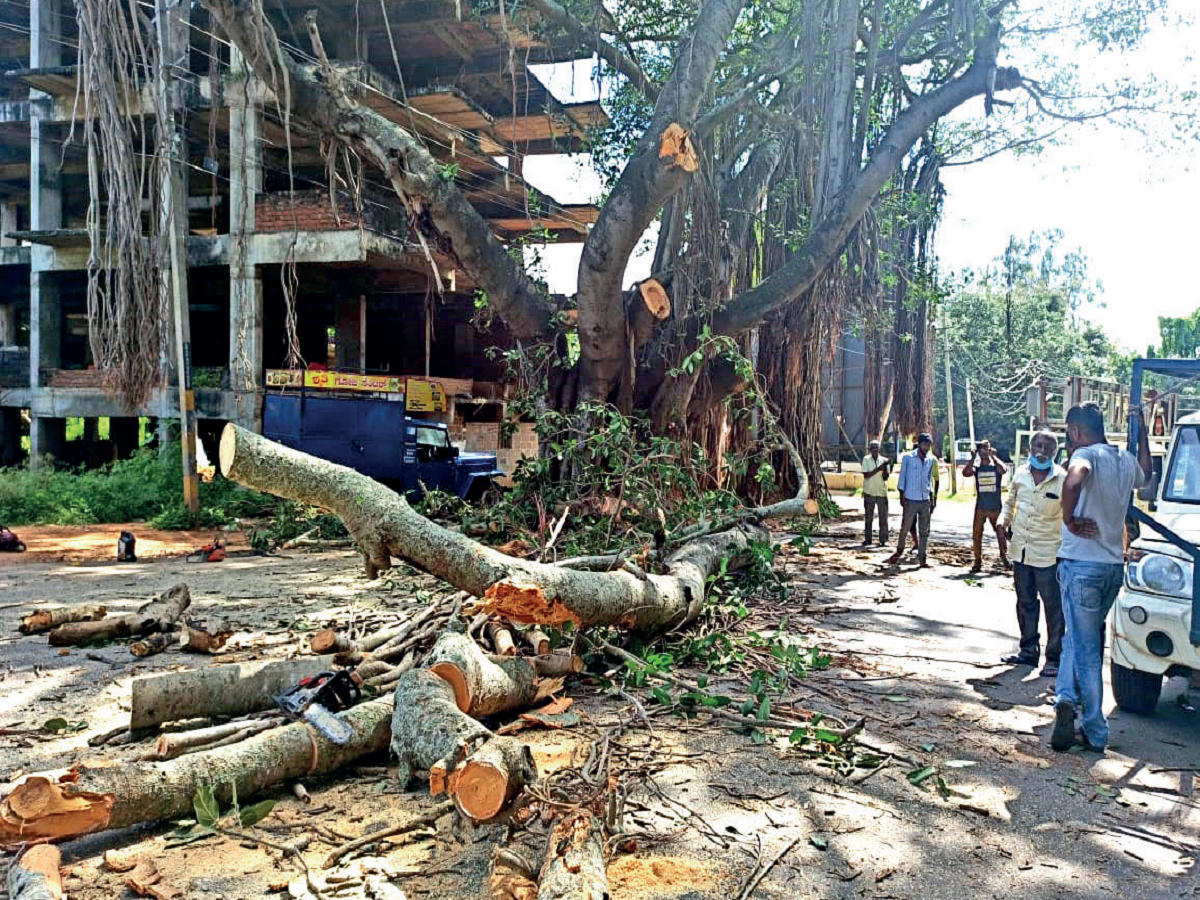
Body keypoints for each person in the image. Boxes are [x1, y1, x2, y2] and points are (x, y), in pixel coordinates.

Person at [1050, 403, 1152, 753]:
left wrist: (1070, 521)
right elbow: (1147, 474)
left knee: (1087, 649)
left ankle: (1094, 729)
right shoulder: (1124, 460)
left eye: (1069, 434)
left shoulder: (1086, 455)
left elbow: (1073, 480)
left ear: (1077, 432)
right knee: (1077, 638)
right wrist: (1142, 432)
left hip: (1081, 564)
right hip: (1111, 565)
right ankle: (1064, 698)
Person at [998, 430, 1065, 677]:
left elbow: (1068, 518)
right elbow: (1010, 503)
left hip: (1049, 554)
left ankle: (1054, 658)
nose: (1042, 451)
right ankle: (1028, 651)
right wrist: (1002, 522)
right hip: (1021, 552)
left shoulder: (1062, 479)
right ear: (1030, 448)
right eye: (1038, 445)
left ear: (1055, 453)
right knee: (1025, 602)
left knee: (1053, 607)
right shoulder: (1020, 474)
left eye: (1048, 448)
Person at [886, 432, 937, 568]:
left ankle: (922, 558)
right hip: (911, 499)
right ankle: (899, 550)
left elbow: (929, 480)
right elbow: (902, 477)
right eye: (924, 444)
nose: (926, 447)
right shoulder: (908, 458)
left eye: (928, 444)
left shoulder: (930, 460)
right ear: (919, 444)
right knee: (905, 527)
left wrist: (932, 499)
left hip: (925, 498)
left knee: (924, 530)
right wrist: (901, 496)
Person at [962, 440, 1009, 572]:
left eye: (985, 448)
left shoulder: (995, 467)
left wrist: (993, 456)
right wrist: (972, 458)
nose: (983, 451)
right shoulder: (977, 468)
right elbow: (965, 473)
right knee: (977, 536)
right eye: (980, 449)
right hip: (981, 508)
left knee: (1001, 534)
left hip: (995, 508)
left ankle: (1005, 558)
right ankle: (978, 562)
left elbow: (1004, 470)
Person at [861, 440, 891, 546]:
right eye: (873, 447)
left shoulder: (884, 460)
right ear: (870, 449)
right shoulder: (866, 459)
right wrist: (879, 468)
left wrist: (885, 470)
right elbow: (866, 475)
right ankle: (868, 539)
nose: (875, 449)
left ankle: (884, 539)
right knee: (869, 517)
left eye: (876, 447)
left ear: (879, 449)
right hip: (869, 491)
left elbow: (886, 478)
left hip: (882, 492)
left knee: (883, 517)